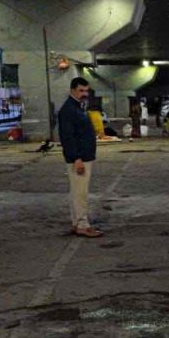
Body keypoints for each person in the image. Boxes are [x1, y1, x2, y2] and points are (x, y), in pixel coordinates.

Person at [58, 77, 103, 238]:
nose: (84, 94)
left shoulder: (77, 107)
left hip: (83, 156)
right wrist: (76, 158)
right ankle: (82, 224)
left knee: (76, 191)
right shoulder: (69, 110)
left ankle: (77, 222)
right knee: (80, 192)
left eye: (86, 91)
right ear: (72, 91)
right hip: (79, 158)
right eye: (81, 91)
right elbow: (67, 137)